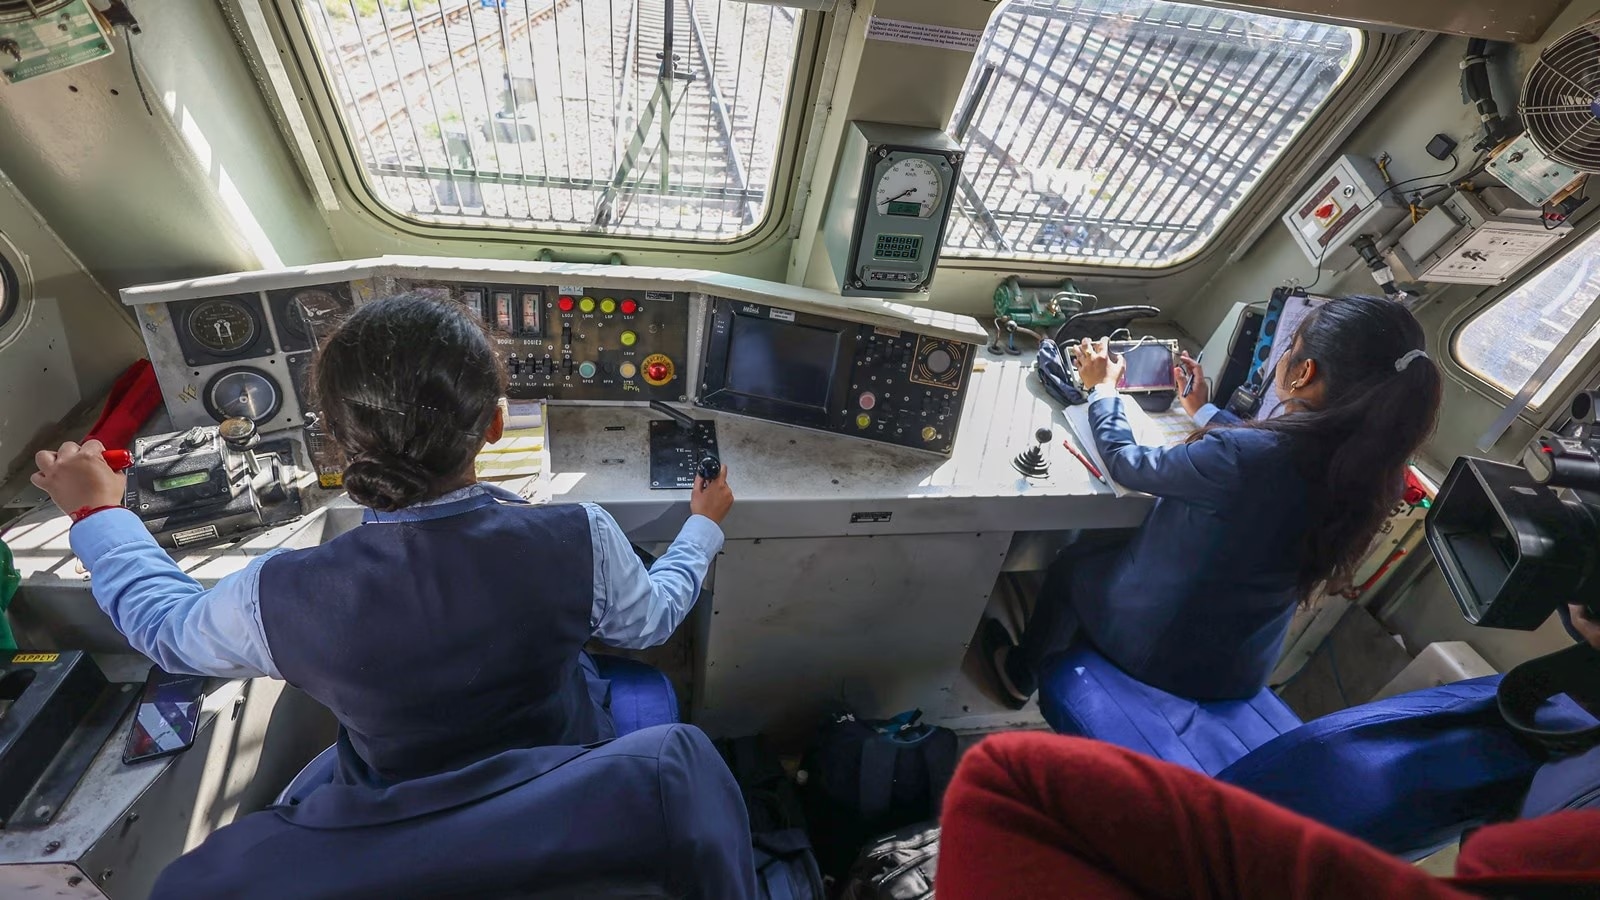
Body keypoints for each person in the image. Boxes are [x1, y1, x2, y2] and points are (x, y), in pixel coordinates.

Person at [31, 292, 735, 783]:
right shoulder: (578, 534)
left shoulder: (281, 596)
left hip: (401, 806)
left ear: (334, 439)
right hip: (559, 774)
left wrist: (99, 516)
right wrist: (700, 527)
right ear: (494, 425)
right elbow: (651, 622)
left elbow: (165, 628)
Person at [985, 295, 1443, 704]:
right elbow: (1275, 454)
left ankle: (1021, 676)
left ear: (1304, 372)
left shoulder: (1246, 456)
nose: (1282, 359)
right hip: (1238, 669)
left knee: (1073, 564)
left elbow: (1128, 464)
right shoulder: (1374, 470)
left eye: (1290, 349)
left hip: (1159, 653)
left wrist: (1102, 388)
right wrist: (1202, 410)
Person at [937, 731, 1600, 899]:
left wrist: (1105, 401)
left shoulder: (1238, 451)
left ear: (1304, 370)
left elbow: (1014, 778)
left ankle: (1029, 664)